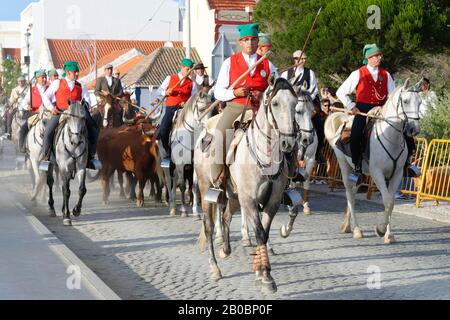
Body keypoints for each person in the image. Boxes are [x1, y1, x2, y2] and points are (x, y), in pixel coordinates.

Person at [336, 44, 418, 183]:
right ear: (368, 58)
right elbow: (340, 92)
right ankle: (357, 168)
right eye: (376, 55)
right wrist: (351, 106)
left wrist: (385, 107)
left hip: (382, 110)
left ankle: (407, 165)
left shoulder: (386, 74)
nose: (379, 57)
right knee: (356, 135)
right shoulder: (357, 73)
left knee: (406, 134)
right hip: (362, 110)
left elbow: (392, 95)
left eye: (380, 55)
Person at [211, 23, 278, 185]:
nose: (250, 43)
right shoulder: (229, 62)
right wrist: (235, 93)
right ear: (240, 42)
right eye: (246, 40)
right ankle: (217, 178)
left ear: (257, 42)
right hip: (236, 108)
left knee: (286, 134)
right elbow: (218, 92)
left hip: (261, 110)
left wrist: (263, 94)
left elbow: (278, 88)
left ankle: (287, 179)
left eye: (253, 39)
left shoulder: (268, 65)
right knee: (220, 134)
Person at [40, 61, 99, 169]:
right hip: (61, 112)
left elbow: (87, 99)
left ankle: (90, 157)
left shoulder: (81, 85)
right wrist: (51, 108)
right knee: (48, 130)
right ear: (67, 72)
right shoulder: (57, 83)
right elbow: (45, 96)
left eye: (77, 72)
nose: (77, 74)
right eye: (74, 72)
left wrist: (85, 104)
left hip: (77, 113)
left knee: (94, 129)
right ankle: (45, 157)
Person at [281, 50, 325, 163]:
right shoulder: (285, 74)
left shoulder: (310, 73)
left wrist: (304, 99)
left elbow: (314, 90)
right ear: (295, 60)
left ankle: (319, 152)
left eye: (305, 59)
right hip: (291, 105)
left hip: (308, 103)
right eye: (301, 59)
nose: (304, 61)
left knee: (320, 125)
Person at [156, 58, 197, 158]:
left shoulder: (192, 83)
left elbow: (194, 98)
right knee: (164, 129)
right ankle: (166, 150)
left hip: (185, 110)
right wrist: (165, 92)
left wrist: (187, 103)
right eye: (187, 69)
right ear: (181, 67)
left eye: (191, 70)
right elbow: (158, 91)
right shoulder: (170, 78)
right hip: (171, 108)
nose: (189, 72)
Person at [18, 70, 49, 152]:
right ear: (37, 79)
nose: (44, 79)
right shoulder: (32, 90)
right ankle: (22, 146)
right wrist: (27, 106)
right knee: (23, 128)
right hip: (34, 114)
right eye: (42, 77)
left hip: (48, 115)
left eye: (45, 77)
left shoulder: (50, 88)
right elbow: (24, 102)